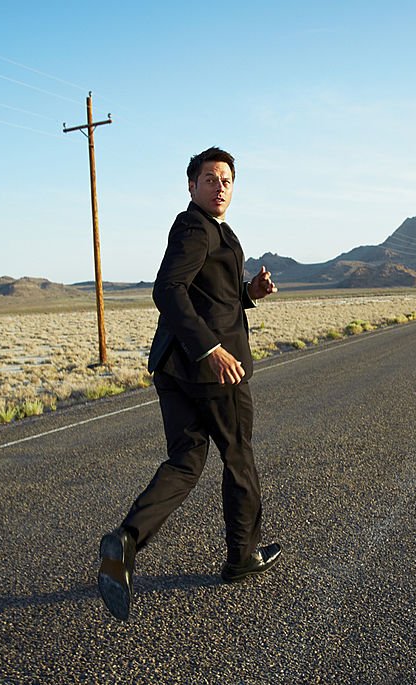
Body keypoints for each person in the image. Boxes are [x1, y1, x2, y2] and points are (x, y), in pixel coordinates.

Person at [97, 146, 282, 621]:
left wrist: (248, 294)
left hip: (175, 369)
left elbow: (209, 295)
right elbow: (168, 289)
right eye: (210, 178)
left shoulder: (214, 231)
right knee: (238, 454)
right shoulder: (195, 227)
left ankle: (125, 541)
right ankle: (242, 557)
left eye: (226, 179)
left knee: (186, 460)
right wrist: (211, 349)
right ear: (191, 185)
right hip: (213, 369)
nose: (219, 185)